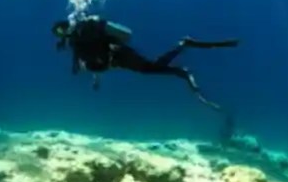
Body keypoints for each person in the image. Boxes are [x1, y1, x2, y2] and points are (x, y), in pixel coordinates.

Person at [52, 16, 239, 118]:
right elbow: (93, 62)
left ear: (65, 28)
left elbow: (93, 58)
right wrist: (96, 78)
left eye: (59, 32)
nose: (61, 36)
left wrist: (96, 75)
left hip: (120, 56)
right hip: (116, 59)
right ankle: (181, 64)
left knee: (149, 68)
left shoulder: (80, 38)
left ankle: (183, 49)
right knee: (149, 68)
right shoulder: (77, 43)